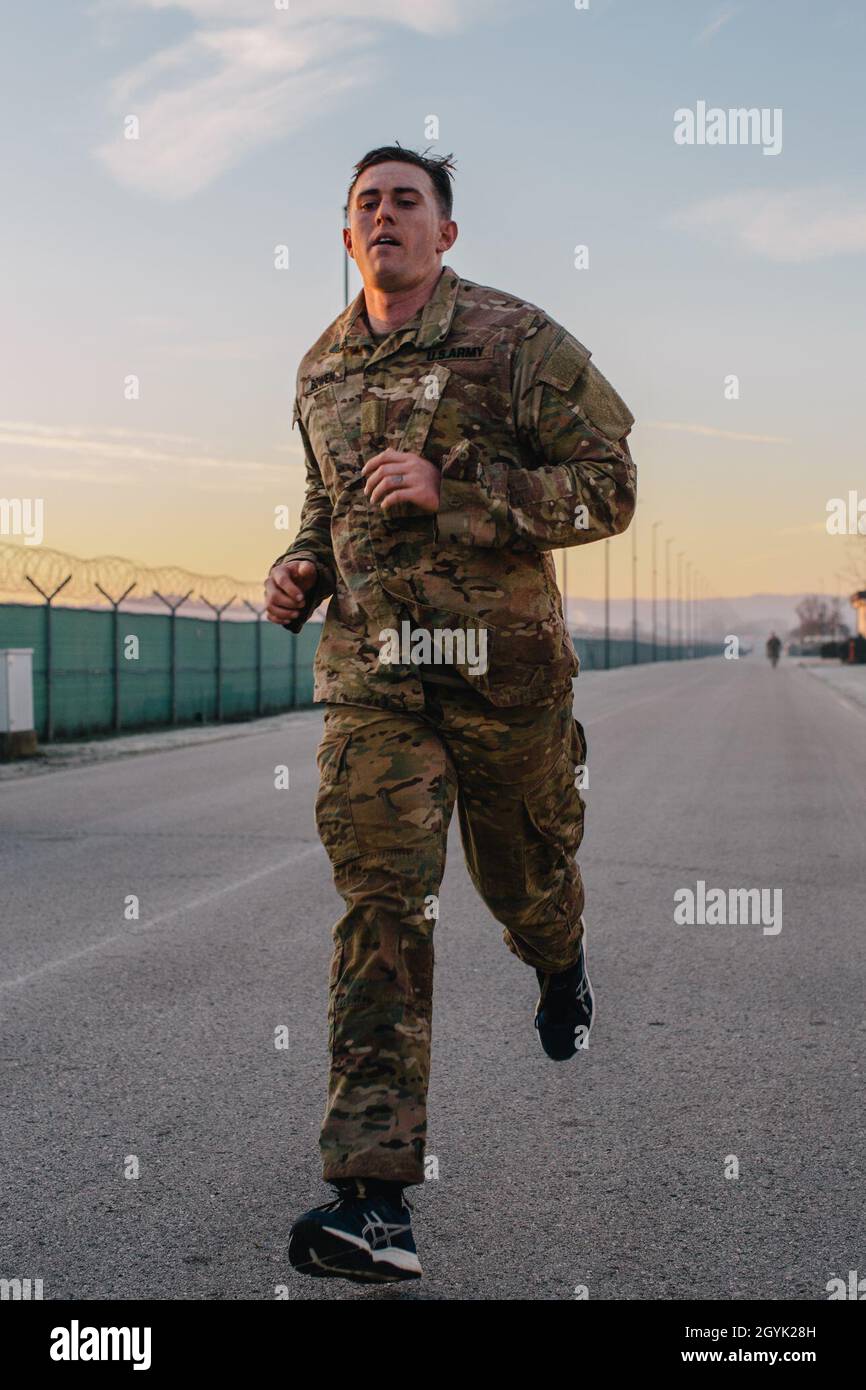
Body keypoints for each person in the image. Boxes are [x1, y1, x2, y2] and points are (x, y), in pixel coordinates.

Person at [264, 145, 636, 1283]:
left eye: (406, 201)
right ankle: (371, 1200)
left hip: (503, 677)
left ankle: (559, 961)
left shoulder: (516, 339)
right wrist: (297, 565)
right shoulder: (318, 370)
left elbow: (611, 485)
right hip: (378, 683)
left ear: (445, 233)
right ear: (344, 238)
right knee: (382, 902)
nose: (384, 217)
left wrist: (463, 491)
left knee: (523, 875)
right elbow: (327, 508)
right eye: (365, 204)